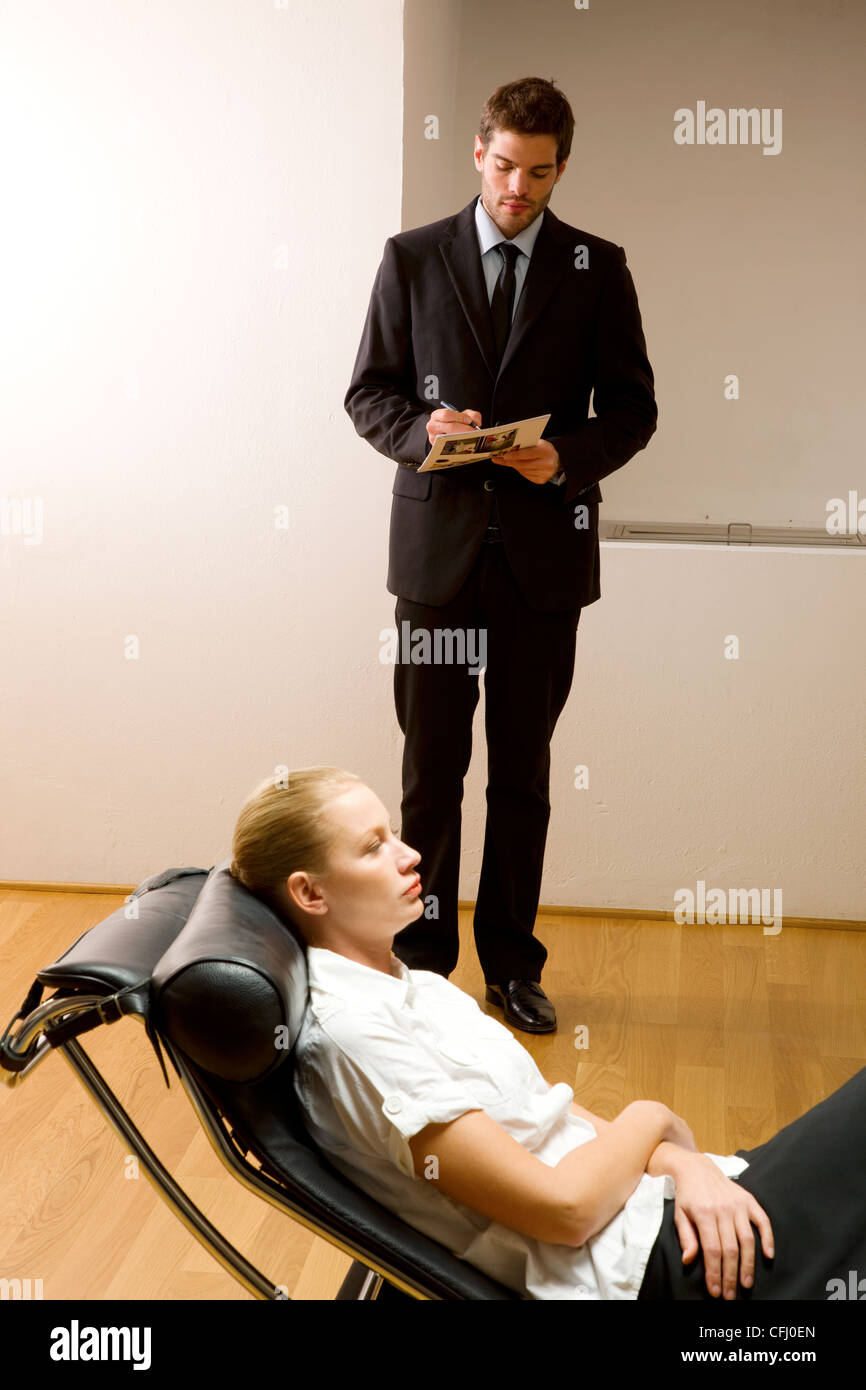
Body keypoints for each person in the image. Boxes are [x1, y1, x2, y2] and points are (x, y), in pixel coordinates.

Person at [230, 767, 866, 1302]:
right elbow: (564, 1211)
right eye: (372, 847)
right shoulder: (356, 1038)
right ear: (309, 892)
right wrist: (654, 1115)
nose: (410, 854)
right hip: (650, 1266)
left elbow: (555, 1119)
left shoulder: (411, 985)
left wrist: (687, 1164)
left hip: (673, 1209)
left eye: (391, 833)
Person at [343, 77, 659, 1034]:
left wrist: (564, 455)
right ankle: (424, 965)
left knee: (521, 772)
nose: (520, 188)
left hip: (541, 566)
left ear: (563, 166)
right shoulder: (410, 260)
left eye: (542, 171)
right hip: (437, 561)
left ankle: (513, 966)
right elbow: (369, 396)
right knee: (429, 772)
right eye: (507, 166)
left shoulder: (597, 269)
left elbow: (635, 410)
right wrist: (421, 430)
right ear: (477, 152)